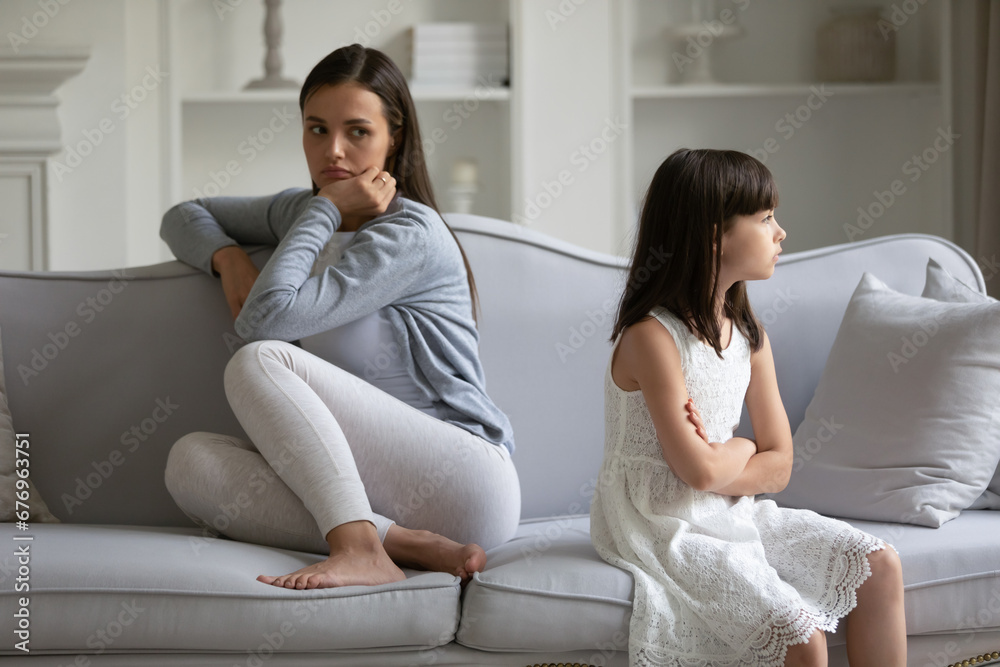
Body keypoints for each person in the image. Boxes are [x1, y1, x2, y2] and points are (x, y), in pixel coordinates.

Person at [160, 44, 520, 591]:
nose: (333, 151)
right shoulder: (296, 208)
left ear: (393, 137)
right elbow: (184, 214)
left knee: (256, 359)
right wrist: (228, 258)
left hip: (463, 479)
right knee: (190, 462)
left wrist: (325, 207)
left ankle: (356, 548)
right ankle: (395, 542)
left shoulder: (408, 234)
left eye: (357, 132)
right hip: (371, 488)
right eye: (315, 129)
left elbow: (262, 324)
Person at [590, 148, 905, 666]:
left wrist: (724, 462)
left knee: (880, 564)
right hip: (661, 522)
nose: (780, 232)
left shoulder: (750, 338)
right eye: (765, 219)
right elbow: (697, 470)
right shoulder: (652, 338)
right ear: (714, 234)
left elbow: (779, 466)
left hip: (733, 508)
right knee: (802, 639)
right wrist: (741, 446)